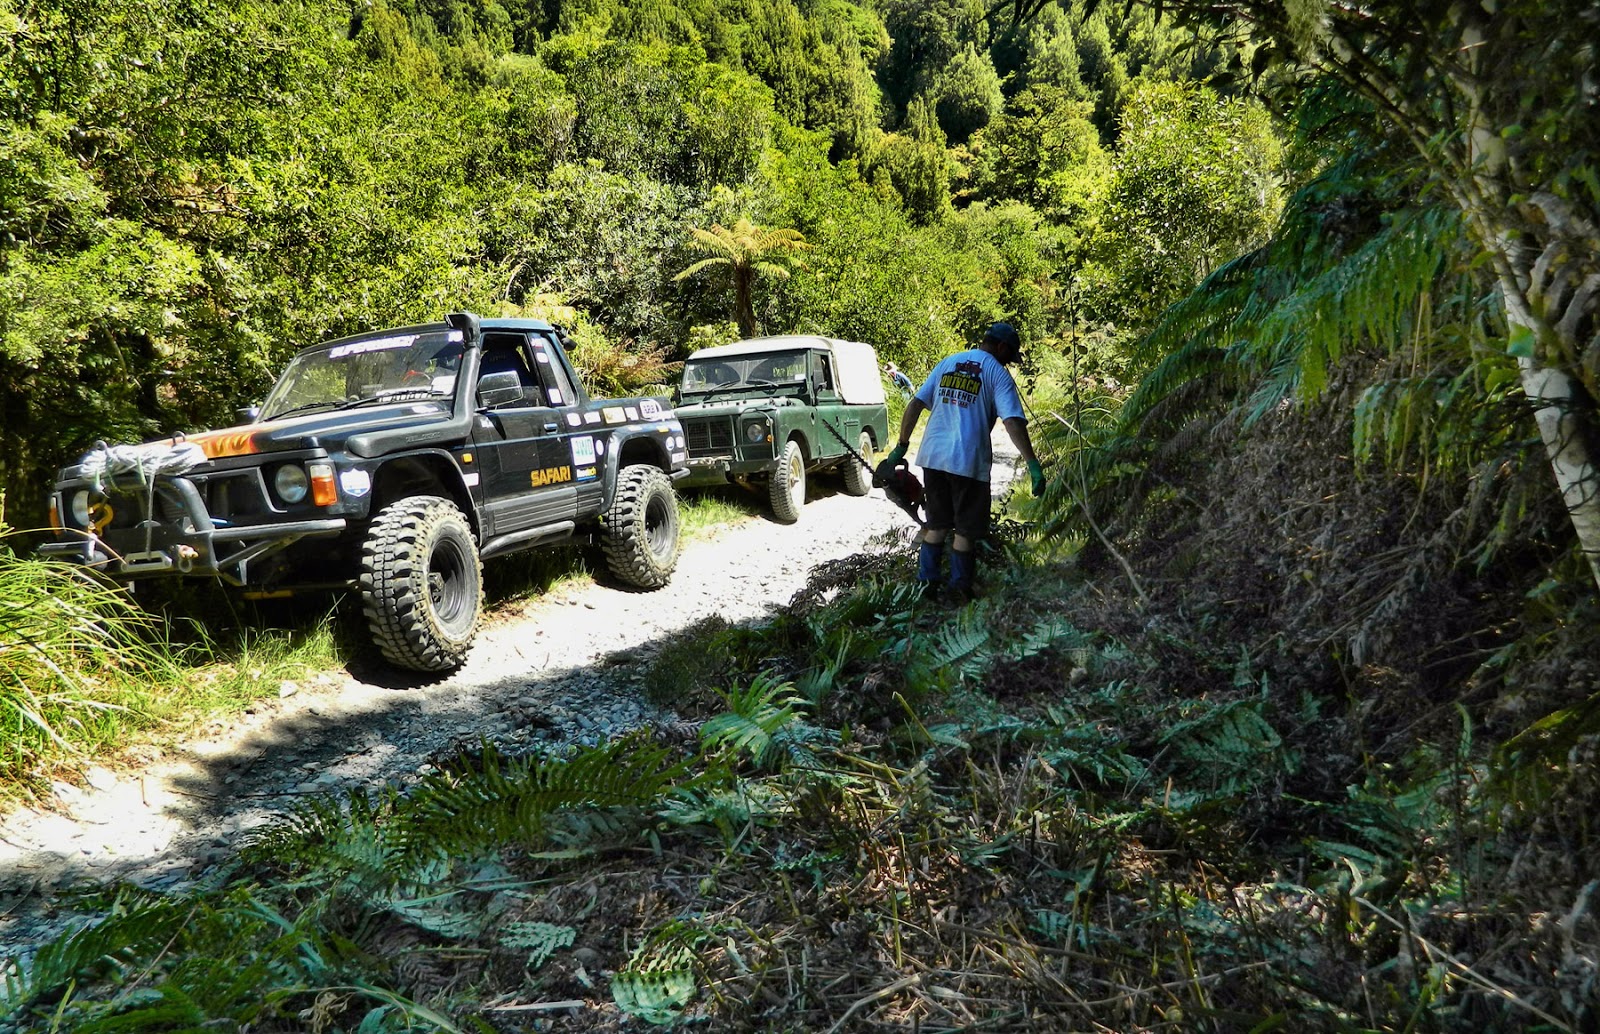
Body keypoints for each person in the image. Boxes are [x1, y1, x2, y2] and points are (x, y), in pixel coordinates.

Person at [879, 322, 1045, 600]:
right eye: (1011, 356)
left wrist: (901, 446)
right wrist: (1033, 464)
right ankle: (958, 591)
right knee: (965, 530)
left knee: (937, 524)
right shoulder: (998, 375)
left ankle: (926, 587)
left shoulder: (948, 363)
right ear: (1002, 348)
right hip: (968, 461)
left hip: (933, 456)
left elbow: (915, 403)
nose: (1010, 363)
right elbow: (1013, 421)